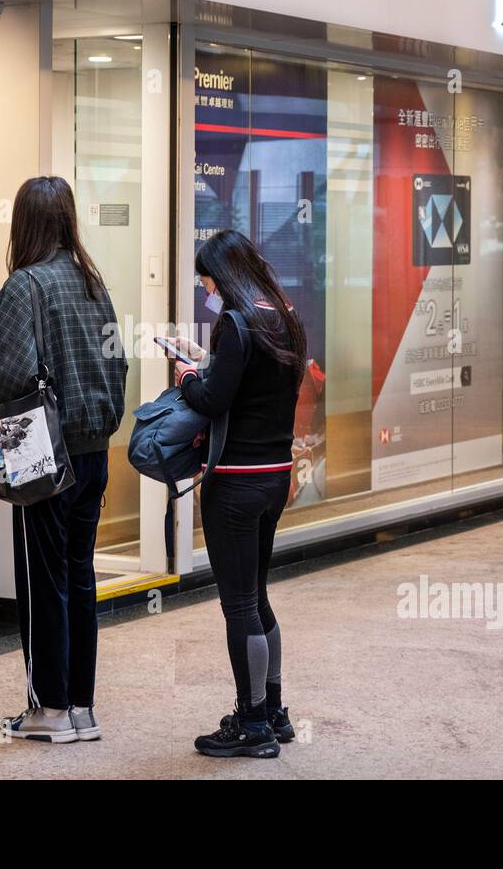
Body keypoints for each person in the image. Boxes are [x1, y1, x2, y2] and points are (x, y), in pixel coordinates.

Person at [0, 176, 127, 744]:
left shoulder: (24, 286)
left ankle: (49, 709)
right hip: (94, 451)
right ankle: (80, 708)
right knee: (80, 577)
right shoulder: (94, 282)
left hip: (42, 454)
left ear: (23, 223)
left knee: (43, 581)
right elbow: (119, 365)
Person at [171, 229, 306, 758]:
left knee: (240, 605)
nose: (206, 288)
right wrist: (207, 358)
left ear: (221, 274)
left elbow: (211, 400)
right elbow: (254, 387)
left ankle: (251, 725)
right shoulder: (283, 316)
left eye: (205, 278)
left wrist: (185, 373)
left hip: (235, 482)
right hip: (274, 477)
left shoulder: (235, 320)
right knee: (260, 597)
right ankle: (273, 710)